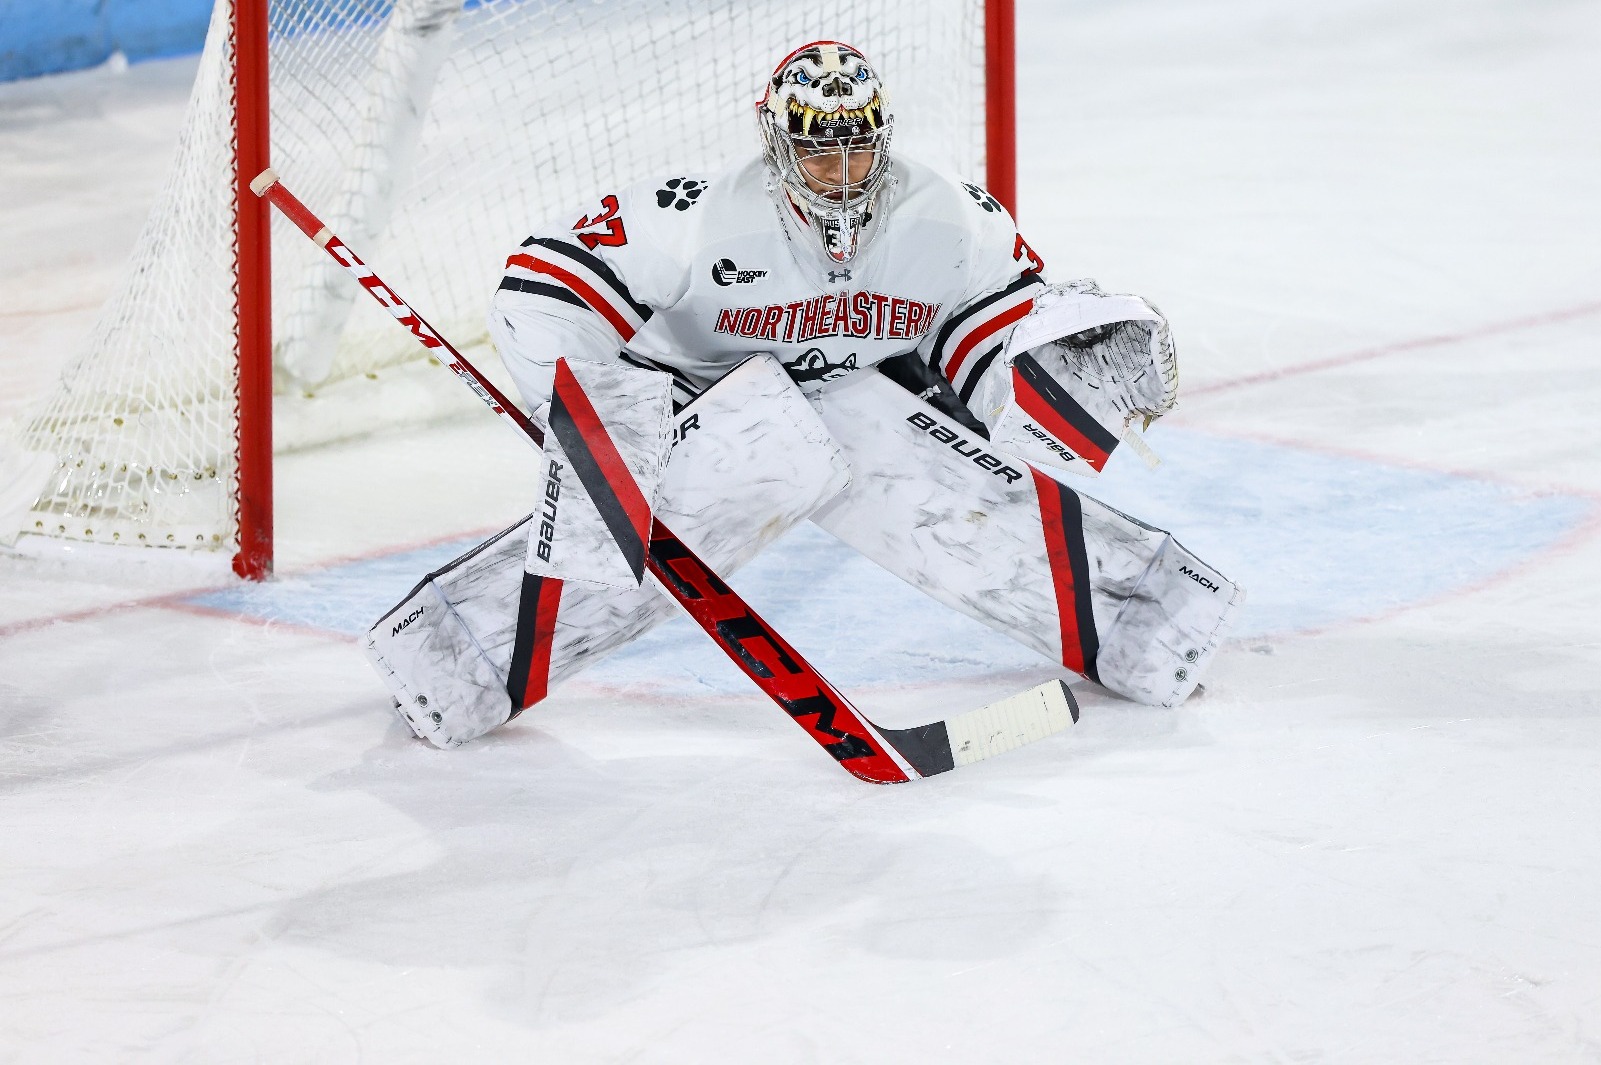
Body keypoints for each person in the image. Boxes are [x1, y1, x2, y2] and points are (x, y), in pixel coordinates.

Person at [365, 41, 1242, 750]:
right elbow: (541, 288)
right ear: (774, 139)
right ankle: (451, 665)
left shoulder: (951, 218)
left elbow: (983, 338)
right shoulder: (694, 216)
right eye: (818, 146)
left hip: (852, 397)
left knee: (920, 473)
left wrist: (1049, 360)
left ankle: (1147, 629)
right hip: (700, 411)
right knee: (758, 452)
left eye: (857, 142)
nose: (841, 166)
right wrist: (603, 419)